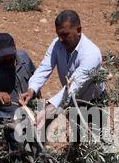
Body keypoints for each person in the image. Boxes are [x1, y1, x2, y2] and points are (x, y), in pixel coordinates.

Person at [21, 10, 107, 142]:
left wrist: (50, 108)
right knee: (77, 139)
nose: (61, 39)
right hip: (73, 101)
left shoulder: (91, 53)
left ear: (78, 30)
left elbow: (74, 85)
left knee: (101, 142)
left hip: (94, 101)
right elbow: (45, 67)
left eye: (65, 35)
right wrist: (32, 89)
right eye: (58, 35)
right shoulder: (57, 44)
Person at [0, 33, 38, 152]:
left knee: (37, 146)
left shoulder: (24, 57)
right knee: (18, 152)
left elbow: (36, 78)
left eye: (10, 54)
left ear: (15, 47)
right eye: (3, 56)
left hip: (32, 112)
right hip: (11, 119)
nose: (8, 58)